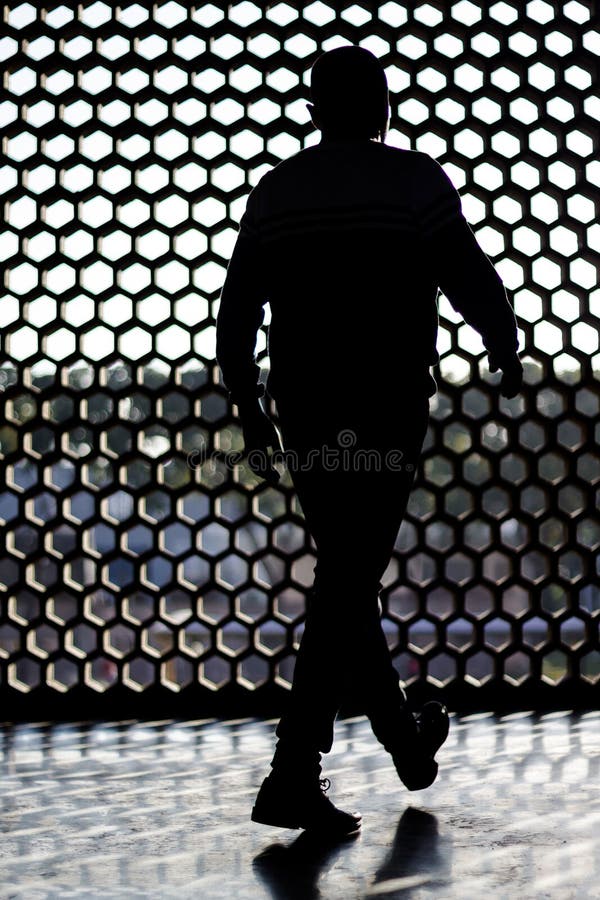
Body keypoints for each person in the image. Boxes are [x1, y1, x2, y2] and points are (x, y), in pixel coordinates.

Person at [216, 45, 523, 836]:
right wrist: (503, 345)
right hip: (386, 407)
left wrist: (251, 409)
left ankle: (406, 746)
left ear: (315, 111)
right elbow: (468, 273)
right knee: (350, 572)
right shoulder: (415, 180)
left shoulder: (278, 191)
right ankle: (292, 769)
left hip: (309, 411)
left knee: (345, 575)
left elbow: (238, 309)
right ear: (384, 105)